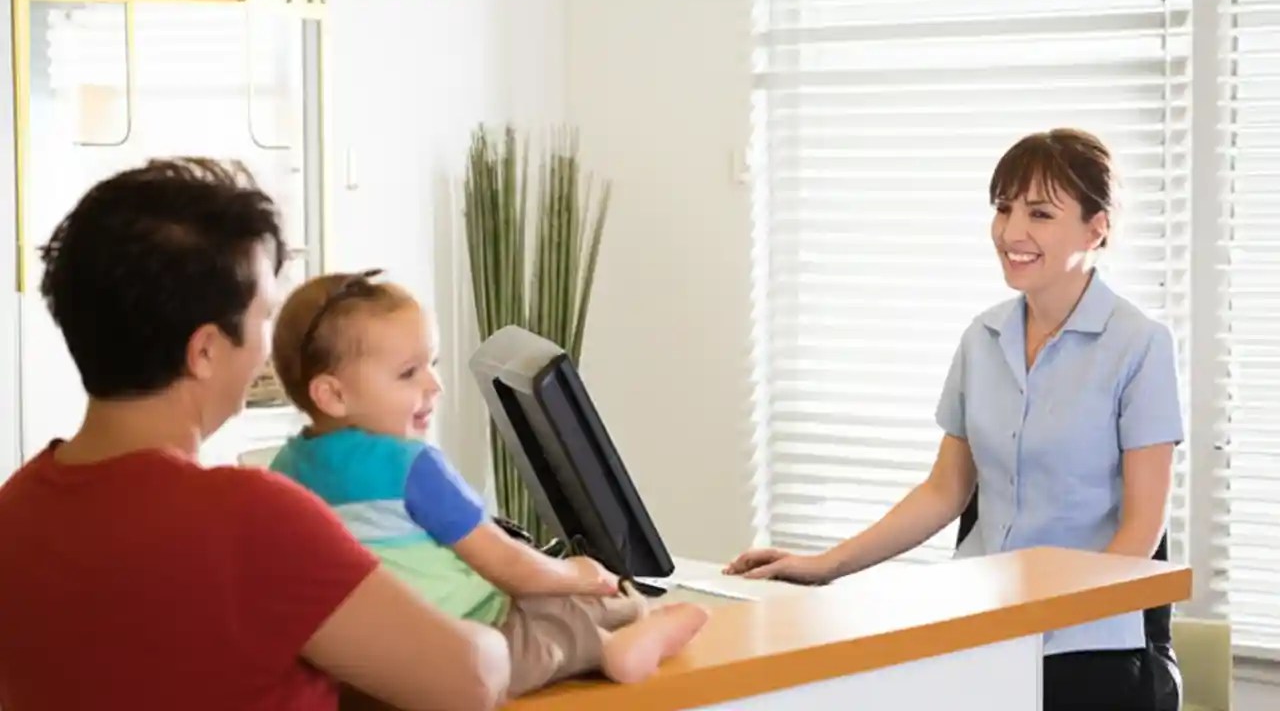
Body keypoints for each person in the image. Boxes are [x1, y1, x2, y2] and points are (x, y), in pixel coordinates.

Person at [0, 158, 512, 711]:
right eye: (263, 317)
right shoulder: (250, 518)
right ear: (205, 351)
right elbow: (468, 683)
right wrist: (496, 638)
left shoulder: (16, 509)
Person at [725, 129, 1183, 711]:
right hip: (978, 623)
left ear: (1098, 227)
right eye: (1003, 208)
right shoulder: (983, 338)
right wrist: (823, 566)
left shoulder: (1140, 346)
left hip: (1090, 644)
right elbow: (946, 490)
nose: (1012, 232)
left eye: (1040, 213)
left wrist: (1044, 624)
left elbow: (1140, 533)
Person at [267, 271, 709, 698]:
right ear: (333, 395)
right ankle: (615, 649)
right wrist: (578, 572)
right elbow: (509, 566)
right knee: (584, 608)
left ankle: (623, 619)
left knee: (592, 602)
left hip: (378, 665)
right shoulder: (413, 467)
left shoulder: (285, 470)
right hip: (473, 642)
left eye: (431, 364)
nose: (434, 385)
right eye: (408, 373)